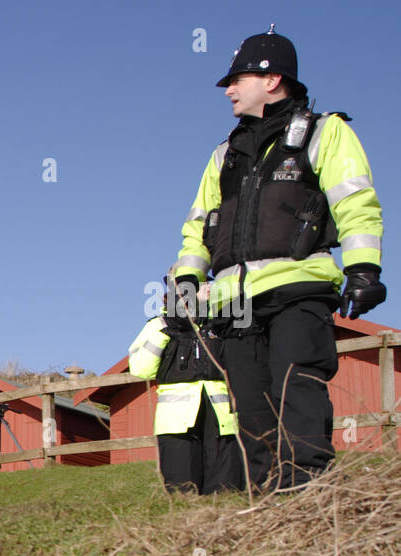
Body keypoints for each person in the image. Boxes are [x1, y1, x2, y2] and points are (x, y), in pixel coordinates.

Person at [172, 27, 385, 490]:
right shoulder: (223, 156)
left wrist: (363, 268)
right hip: (235, 303)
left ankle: (305, 491)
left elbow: (355, 201)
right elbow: (197, 226)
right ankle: (265, 500)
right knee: (249, 406)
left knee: (296, 386)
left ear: (271, 79)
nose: (228, 90)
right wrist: (186, 282)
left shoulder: (326, 132)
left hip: (299, 287)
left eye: (237, 79)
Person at [129, 286, 242, 494]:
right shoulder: (159, 325)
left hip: (222, 419)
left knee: (227, 491)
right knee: (182, 492)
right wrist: (167, 329)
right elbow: (140, 369)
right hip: (176, 423)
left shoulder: (221, 324)